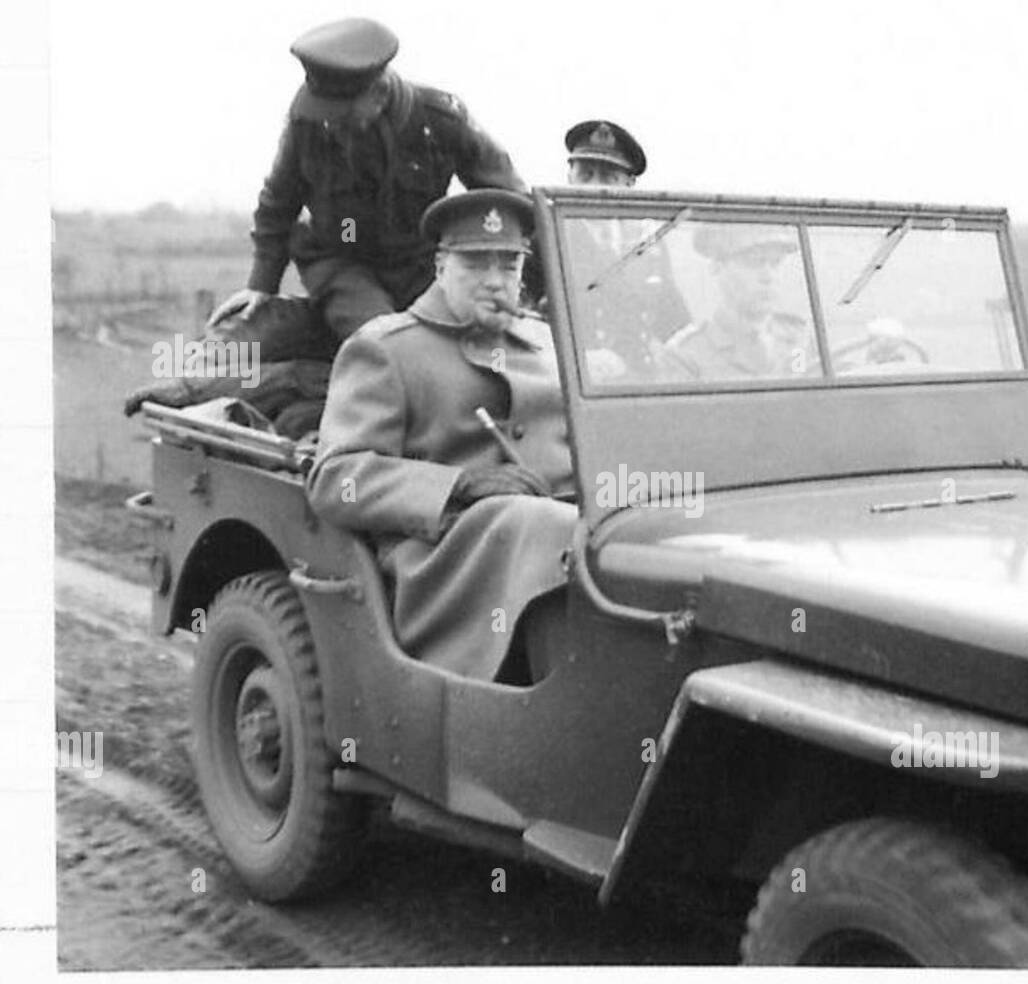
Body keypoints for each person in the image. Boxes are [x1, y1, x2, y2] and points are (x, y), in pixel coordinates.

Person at [125, 17, 524, 427]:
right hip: (341, 264)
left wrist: (524, 289)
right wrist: (260, 283)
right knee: (373, 338)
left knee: (418, 355)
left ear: (378, 93)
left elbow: (509, 202)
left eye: (343, 115)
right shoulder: (309, 122)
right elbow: (278, 200)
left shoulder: (439, 121)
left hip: (417, 270)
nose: (331, 124)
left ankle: (299, 387)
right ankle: (191, 386)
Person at [306, 189, 575, 681]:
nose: (495, 281)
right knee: (548, 530)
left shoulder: (548, 345)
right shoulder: (386, 349)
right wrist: (460, 485)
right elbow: (335, 478)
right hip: (445, 565)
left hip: (561, 541)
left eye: (509, 265)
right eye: (475, 264)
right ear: (440, 267)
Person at [526, 120, 688, 380]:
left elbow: (673, 319)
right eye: (585, 176)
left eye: (609, 178)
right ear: (569, 178)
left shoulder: (648, 244)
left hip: (638, 387)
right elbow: (511, 335)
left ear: (629, 185)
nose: (595, 188)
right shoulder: (541, 239)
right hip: (567, 387)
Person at [659, 226, 818, 382]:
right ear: (718, 268)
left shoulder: (797, 341)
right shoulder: (687, 355)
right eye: (754, 263)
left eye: (776, 263)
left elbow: (808, 388)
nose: (768, 277)